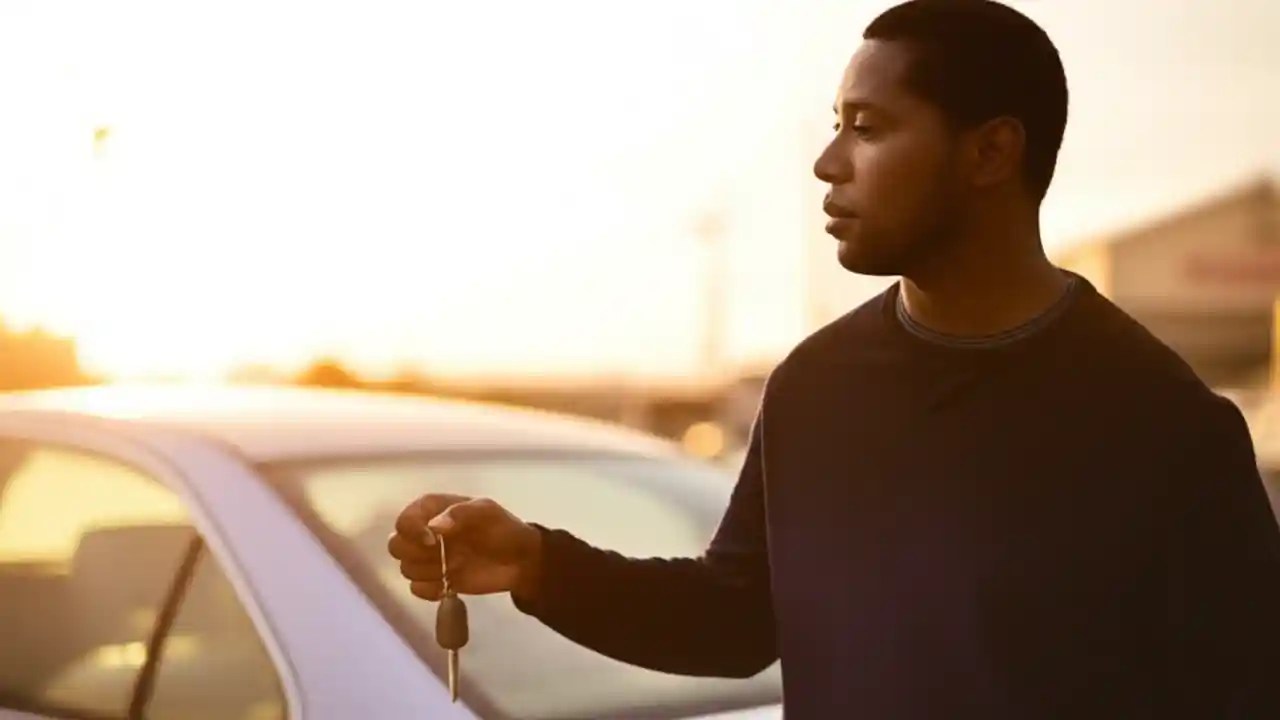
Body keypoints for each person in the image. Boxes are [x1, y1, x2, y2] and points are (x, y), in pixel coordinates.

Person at [388, 0, 1280, 716]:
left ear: (990, 152)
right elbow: (737, 620)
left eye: (867, 128)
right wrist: (538, 565)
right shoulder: (816, 386)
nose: (827, 163)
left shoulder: (1166, 426)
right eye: (835, 126)